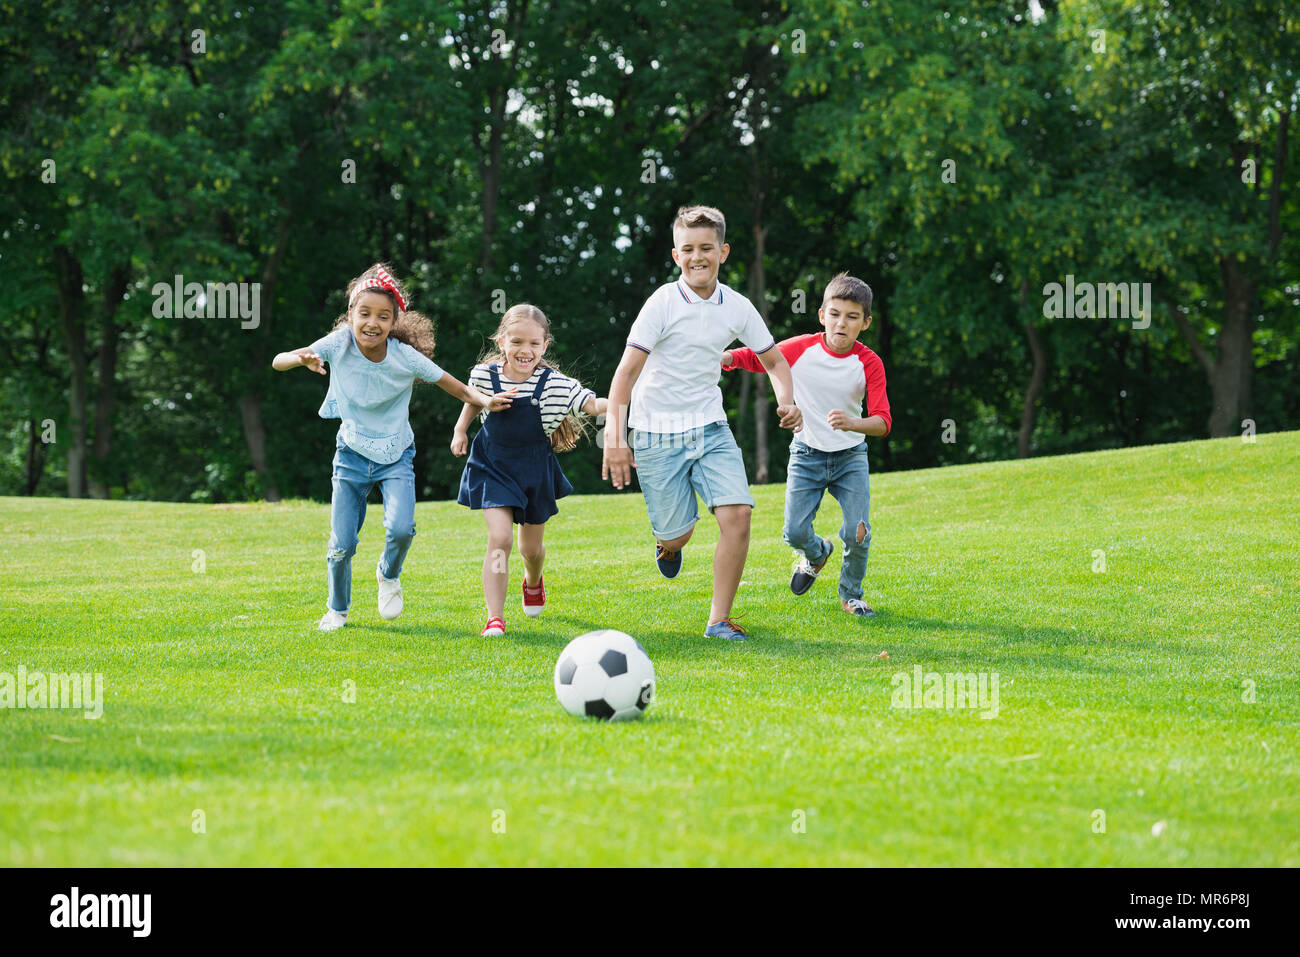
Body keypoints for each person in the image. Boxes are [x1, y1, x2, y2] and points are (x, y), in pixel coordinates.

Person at [272, 263, 513, 631]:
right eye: (364, 313)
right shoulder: (339, 343)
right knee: (341, 545)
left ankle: (388, 574)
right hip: (351, 455)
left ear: (394, 322)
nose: (372, 322)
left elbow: (455, 386)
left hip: (396, 455)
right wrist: (301, 358)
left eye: (383, 316)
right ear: (350, 314)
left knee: (401, 528)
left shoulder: (404, 356)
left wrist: (484, 400)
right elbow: (279, 361)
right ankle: (338, 609)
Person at [602, 204, 802, 641]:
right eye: (688, 249)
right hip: (656, 433)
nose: (698, 257)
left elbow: (775, 362)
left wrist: (786, 400)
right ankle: (666, 543)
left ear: (723, 252)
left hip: (711, 427)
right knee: (679, 536)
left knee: (738, 516)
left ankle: (718, 621)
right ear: (676, 256)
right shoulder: (662, 303)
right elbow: (626, 374)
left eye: (706, 248)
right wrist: (615, 439)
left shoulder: (738, 307)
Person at [722, 272, 891, 616]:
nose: (841, 323)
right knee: (794, 532)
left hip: (850, 458)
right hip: (806, 454)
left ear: (866, 322)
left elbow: (882, 422)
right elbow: (761, 358)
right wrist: (725, 358)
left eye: (852, 317)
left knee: (857, 532)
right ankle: (817, 553)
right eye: (835, 314)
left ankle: (851, 595)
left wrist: (852, 423)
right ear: (821, 315)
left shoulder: (869, 363)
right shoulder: (801, 348)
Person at [452, 304, 608, 637]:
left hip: (534, 470)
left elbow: (593, 406)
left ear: (545, 345)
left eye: (534, 344)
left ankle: (533, 581)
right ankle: (495, 616)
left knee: (530, 550)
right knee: (500, 537)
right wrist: (460, 429)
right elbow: (471, 398)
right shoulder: (484, 374)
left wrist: (630, 400)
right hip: (491, 465)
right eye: (517, 341)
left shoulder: (556, 385)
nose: (526, 350)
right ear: (501, 341)